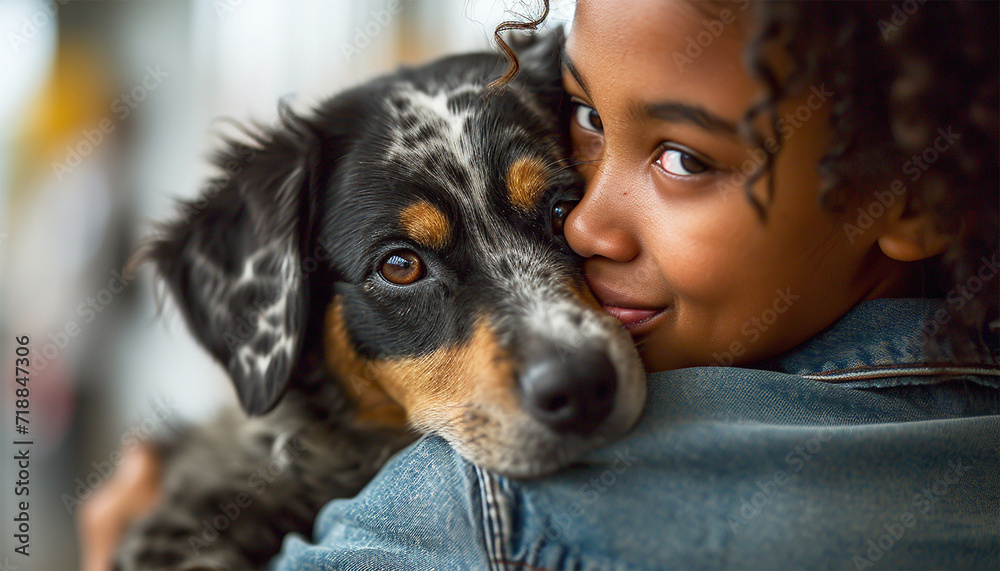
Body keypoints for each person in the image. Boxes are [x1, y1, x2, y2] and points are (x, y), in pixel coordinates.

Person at [83, 0, 998, 568]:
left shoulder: (477, 517)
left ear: (908, 193)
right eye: (402, 265)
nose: (588, 226)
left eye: (682, 157)